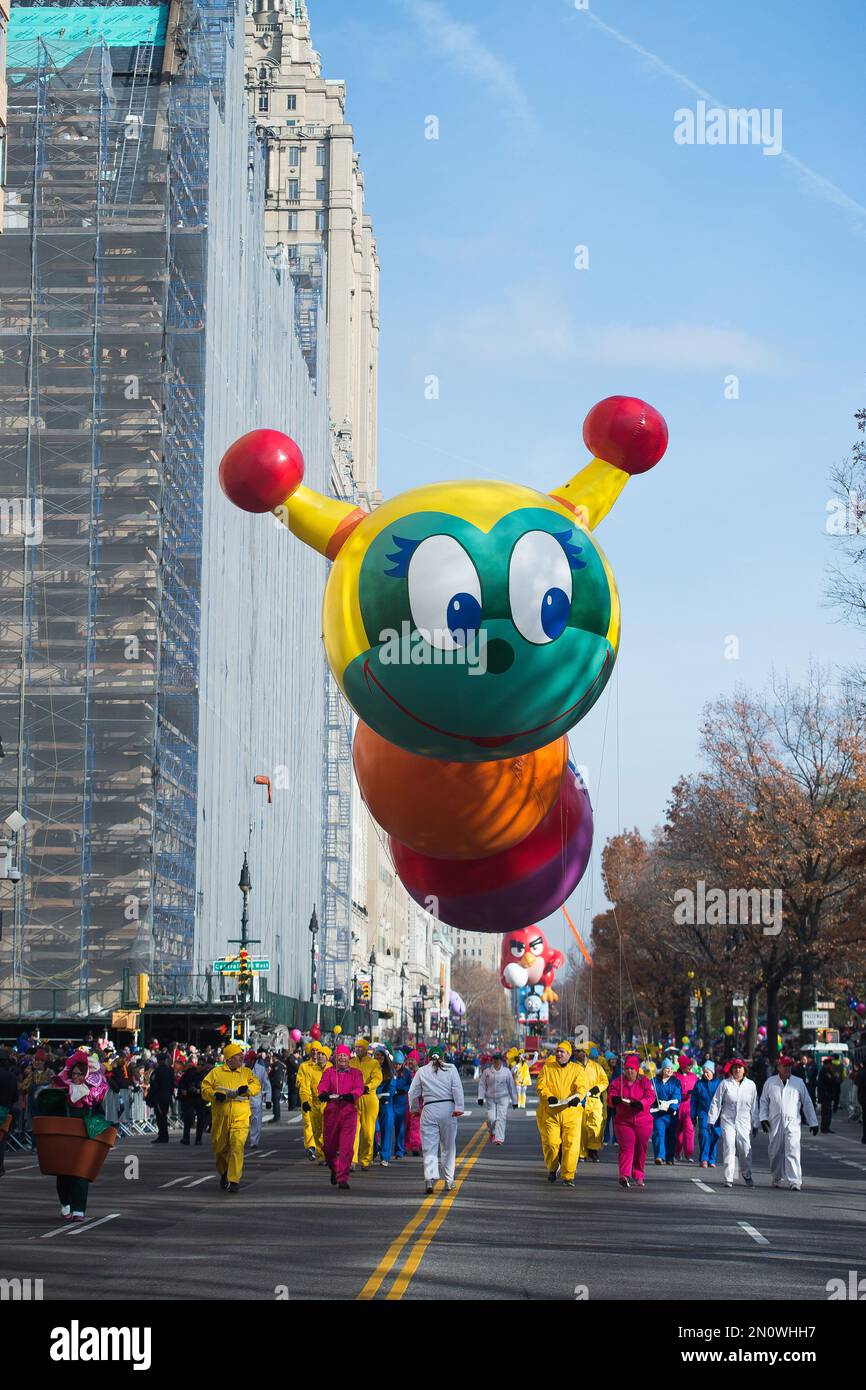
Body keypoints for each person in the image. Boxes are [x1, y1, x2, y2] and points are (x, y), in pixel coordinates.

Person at [38, 1050, 110, 1220]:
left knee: (80, 1172)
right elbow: (48, 1109)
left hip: (82, 1137)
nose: (76, 1076)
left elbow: (100, 1115)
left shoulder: (93, 1094)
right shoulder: (62, 1091)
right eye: (74, 1073)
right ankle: (66, 1204)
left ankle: (79, 1210)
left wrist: (95, 1127)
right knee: (63, 1173)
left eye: (80, 1074)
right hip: (64, 1137)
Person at [200, 1042, 261, 1192]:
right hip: (221, 1119)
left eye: (241, 1055)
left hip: (240, 1118)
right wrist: (215, 1095)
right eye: (238, 1055)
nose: (241, 1057)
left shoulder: (246, 1072)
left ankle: (234, 1180)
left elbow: (256, 1086)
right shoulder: (216, 1073)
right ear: (229, 1059)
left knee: (237, 1147)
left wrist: (247, 1090)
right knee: (220, 1150)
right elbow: (204, 1089)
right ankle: (224, 1172)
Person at [408, 1046, 465, 1194]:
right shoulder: (451, 1069)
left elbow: (412, 1092)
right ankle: (449, 1180)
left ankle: (429, 1179)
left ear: (427, 1057)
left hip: (429, 1109)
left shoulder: (422, 1071)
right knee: (448, 1147)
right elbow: (457, 1089)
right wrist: (459, 1107)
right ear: (443, 1057)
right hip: (448, 1109)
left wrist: (414, 1109)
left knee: (429, 1146)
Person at [759, 1055, 818, 1191]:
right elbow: (763, 1101)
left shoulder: (798, 1082)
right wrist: (763, 1118)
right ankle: (776, 1177)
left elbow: (807, 1103)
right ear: (779, 1067)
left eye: (789, 1066)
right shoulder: (770, 1082)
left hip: (792, 1122)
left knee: (793, 1149)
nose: (787, 1069)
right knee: (774, 1152)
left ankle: (795, 1181)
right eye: (785, 1066)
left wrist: (813, 1122)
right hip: (775, 1122)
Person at [535, 1041, 588, 1188]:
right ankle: (553, 1168)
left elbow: (582, 1087)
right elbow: (540, 1085)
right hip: (551, 1112)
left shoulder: (577, 1069)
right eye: (557, 1051)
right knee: (551, 1144)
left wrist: (577, 1098)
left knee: (571, 1145)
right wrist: (548, 1096)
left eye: (562, 1052)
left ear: (569, 1055)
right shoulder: (547, 1068)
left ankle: (568, 1176)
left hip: (571, 1113)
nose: (558, 1054)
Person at [318, 1044, 364, 1190]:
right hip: (332, 1112)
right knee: (329, 1148)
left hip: (349, 1112)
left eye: (344, 1055)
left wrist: (352, 1095)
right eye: (339, 1055)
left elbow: (359, 1088)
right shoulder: (329, 1072)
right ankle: (335, 1168)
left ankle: (343, 1177)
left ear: (349, 1057)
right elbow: (322, 1087)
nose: (342, 1058)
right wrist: (323, 1094)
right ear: (335, 1058)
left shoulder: (356, 1073)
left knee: (346, 1147)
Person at [707, 1058, 759, 1189]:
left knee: (745, 1149)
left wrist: (756, 1123)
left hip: (744, 1121)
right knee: (729, 1147)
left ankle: (746, 1174)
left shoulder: (751, 1085)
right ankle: (729, 1178)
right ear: (731, 1070)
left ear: (744, 1070)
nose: (737, 1070)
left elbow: (754, 1106)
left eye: (740, 1067)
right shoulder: (725, 1084)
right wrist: (711, 1120)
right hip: (728, 1120)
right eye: (735, 1067)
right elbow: (716, 1101)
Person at [606, 1053, 655, 1189]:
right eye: (627, 1069)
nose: (629, 1071)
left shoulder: (645, 1081)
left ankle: (638, 1175)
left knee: (640, 1149)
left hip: (643, 1121)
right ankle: (624, 1175)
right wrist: (614, 1100)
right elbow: (610, 1097)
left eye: (632, 1069)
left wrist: (641, 1103)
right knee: (626, 1148)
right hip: (623, 1121)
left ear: (637, 1069)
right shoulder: (617, 1082)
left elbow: (650, 1097)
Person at [350, 1038, 383, 1170]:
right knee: (352, 1131)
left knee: (368, 1133)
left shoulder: (373, 1063)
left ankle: (366, 1159)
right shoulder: (351, 1063)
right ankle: (352, 1160)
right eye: (356, 1047)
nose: (358, 1049)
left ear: (366, 1049)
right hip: (354, 1099)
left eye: (360, 1047)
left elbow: (377, 1078)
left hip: (369, 1099)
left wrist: (368, 1086)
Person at [575, 1046, 609, 1162]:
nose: (576, 1053)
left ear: (584, 1053)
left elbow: (604, 1081)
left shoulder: (596, 1067)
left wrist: (597, 1088)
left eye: (578, 1051)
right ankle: (582, 1152)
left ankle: (593, 1150)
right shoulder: (574, 1067)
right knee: (581, 1127)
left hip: (594, 1100)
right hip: (580, 1101)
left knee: (596, 1125)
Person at [478, 1051, 517, 1146]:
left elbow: (511, 1086)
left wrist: (515, 1101)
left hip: (503, 1098)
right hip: (490, 1098)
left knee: (501, 1118)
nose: (496, 1061)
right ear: (492, 1060)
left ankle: (499, 1139)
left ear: (501, 1060)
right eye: (494, 1059)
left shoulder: (506, 1072)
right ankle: (492, 1132)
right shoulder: (487, 1072)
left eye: (498, 1059)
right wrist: (480, 1097)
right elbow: (482, 1085)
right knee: (491, 1118)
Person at [296, 1042, 327, 1162]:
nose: (315, 1053)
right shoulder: (304, 1066)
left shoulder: (326, 1066)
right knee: (308, 1123)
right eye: (313, 1050)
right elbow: (299, 1081)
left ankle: (324, 1150)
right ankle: (311, 1147)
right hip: (307, 1098)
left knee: (323, 1126)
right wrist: (302, 1083)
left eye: (318, 1051)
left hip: (322, 1100)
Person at [650, 1057, 682, 1166]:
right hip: (658, 1113)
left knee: (671, 1136)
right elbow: (649, 1093)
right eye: (667, 1068)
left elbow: (677, 1095)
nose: (669, 1071)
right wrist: (653, 1101)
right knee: (659, 1133)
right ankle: (660, 1156)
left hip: (671, 1114)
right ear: (663, 1069)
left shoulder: (676, 1082)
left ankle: (669, 1157)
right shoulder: (654, 1081)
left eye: (671, 1069)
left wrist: (673, 1106)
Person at [691, 1060, 721, 1168]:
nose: (705, 1074)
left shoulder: (719, 1083)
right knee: (703, 1135)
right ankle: (704, 1158)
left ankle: (711, 1159)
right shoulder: (699, 1084)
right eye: (704, 1072)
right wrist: (693, 1114)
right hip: (703, 1113)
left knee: (715, 1136)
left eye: (708, 1072)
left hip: (716, 1114)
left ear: (713, 1072)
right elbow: (694, 1100)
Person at [383, 1052, 411, 1163]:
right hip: (391, 1102)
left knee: (400, 1129)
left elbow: (411, 1086)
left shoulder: (407, 1073)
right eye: (395, 1064)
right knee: (388, 1128)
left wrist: (402, 1089)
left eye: (399, 1064)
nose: (397, 1066)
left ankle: (399, 1151)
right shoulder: (389, 1071)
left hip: (401, 1102)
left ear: (402, 1064)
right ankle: (386, 1152)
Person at [177, 1057, 209, 1145]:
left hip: (200, 1098)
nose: (199, 1066)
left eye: (201, 1065)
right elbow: (182, 1082)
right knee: (188, 1118)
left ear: (205, 1066)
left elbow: (210, 1087)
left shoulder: (207, 1074)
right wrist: (183, 1089)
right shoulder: (190, 1071)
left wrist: (200, 1090)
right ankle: (186, 1138)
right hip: (190, 1098)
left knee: (201, 1119)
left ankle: (199, 1139)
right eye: (198, 1064)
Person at [147, 1051, 175, 1144]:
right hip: (167, 1097)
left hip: (159, 1097)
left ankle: (162, 1136)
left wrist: (151, 1097)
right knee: (164, 1116)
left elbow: (153, 1084)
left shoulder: (157, 1071)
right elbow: (172, 1084)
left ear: (159, 1061)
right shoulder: (170, 1070)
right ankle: (164, 1136)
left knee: (160, 1117)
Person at [247, 1050, 272, 1149]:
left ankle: (254, 1141)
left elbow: (267, 1085)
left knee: (255, 1120)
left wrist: (268, 1100)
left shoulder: (261, 1070)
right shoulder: (241, 1069)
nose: (249, 1062)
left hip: (256, 1099)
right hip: (243, 1098)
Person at [675, 1055, 698, 1162]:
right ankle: (676, 1152)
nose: (690, 1067)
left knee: (689, 1129)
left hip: (689, 1106)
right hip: (677, 1105)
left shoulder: (694, 1077)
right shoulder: (675, 1076)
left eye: (690, 1065)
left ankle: (689, 1153)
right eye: (688, 1065)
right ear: (682, 1065)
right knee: (677, 1130)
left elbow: (698, 1091)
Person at [0, 1050, 19, 1177]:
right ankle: (0, 1166)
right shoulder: (11, 1076)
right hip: (5, 1110)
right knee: (2, 1139)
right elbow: (15, 1097)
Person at [403, 1051, 422, 1155]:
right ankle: (405, 1146)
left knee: (415, 1125)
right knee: (405, 1125)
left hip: (416, 1102)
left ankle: (415, 1146)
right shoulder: (404, 1072)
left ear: (416, 1061)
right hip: (404, 1102)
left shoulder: (421, 1072)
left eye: (412, 1060)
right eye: (409, 1059)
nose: (410, 1062)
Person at [816, 1055, 841, 1134]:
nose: (831, 1066)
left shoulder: (824, 1070)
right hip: (826, 1095)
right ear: (828, 1064)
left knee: (827, 1111)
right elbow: (831, 1081)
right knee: (826, 1112)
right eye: (830, 1064)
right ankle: (825, 1128)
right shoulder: (825, 1071)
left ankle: (825, 1127)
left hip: (826, 1094)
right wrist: (835, 1076)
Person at [268, 1054, 286, 1124]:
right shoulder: (274, 1065)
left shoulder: (277, 1065)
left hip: (276, 1085)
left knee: (276, 1100)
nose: (272, 1058)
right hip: (275, 1085)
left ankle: (276, 1116)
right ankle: (275, 1115)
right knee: (275, 1100)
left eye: (273, 1057)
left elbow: (276, 1076)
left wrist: (272, 1082)